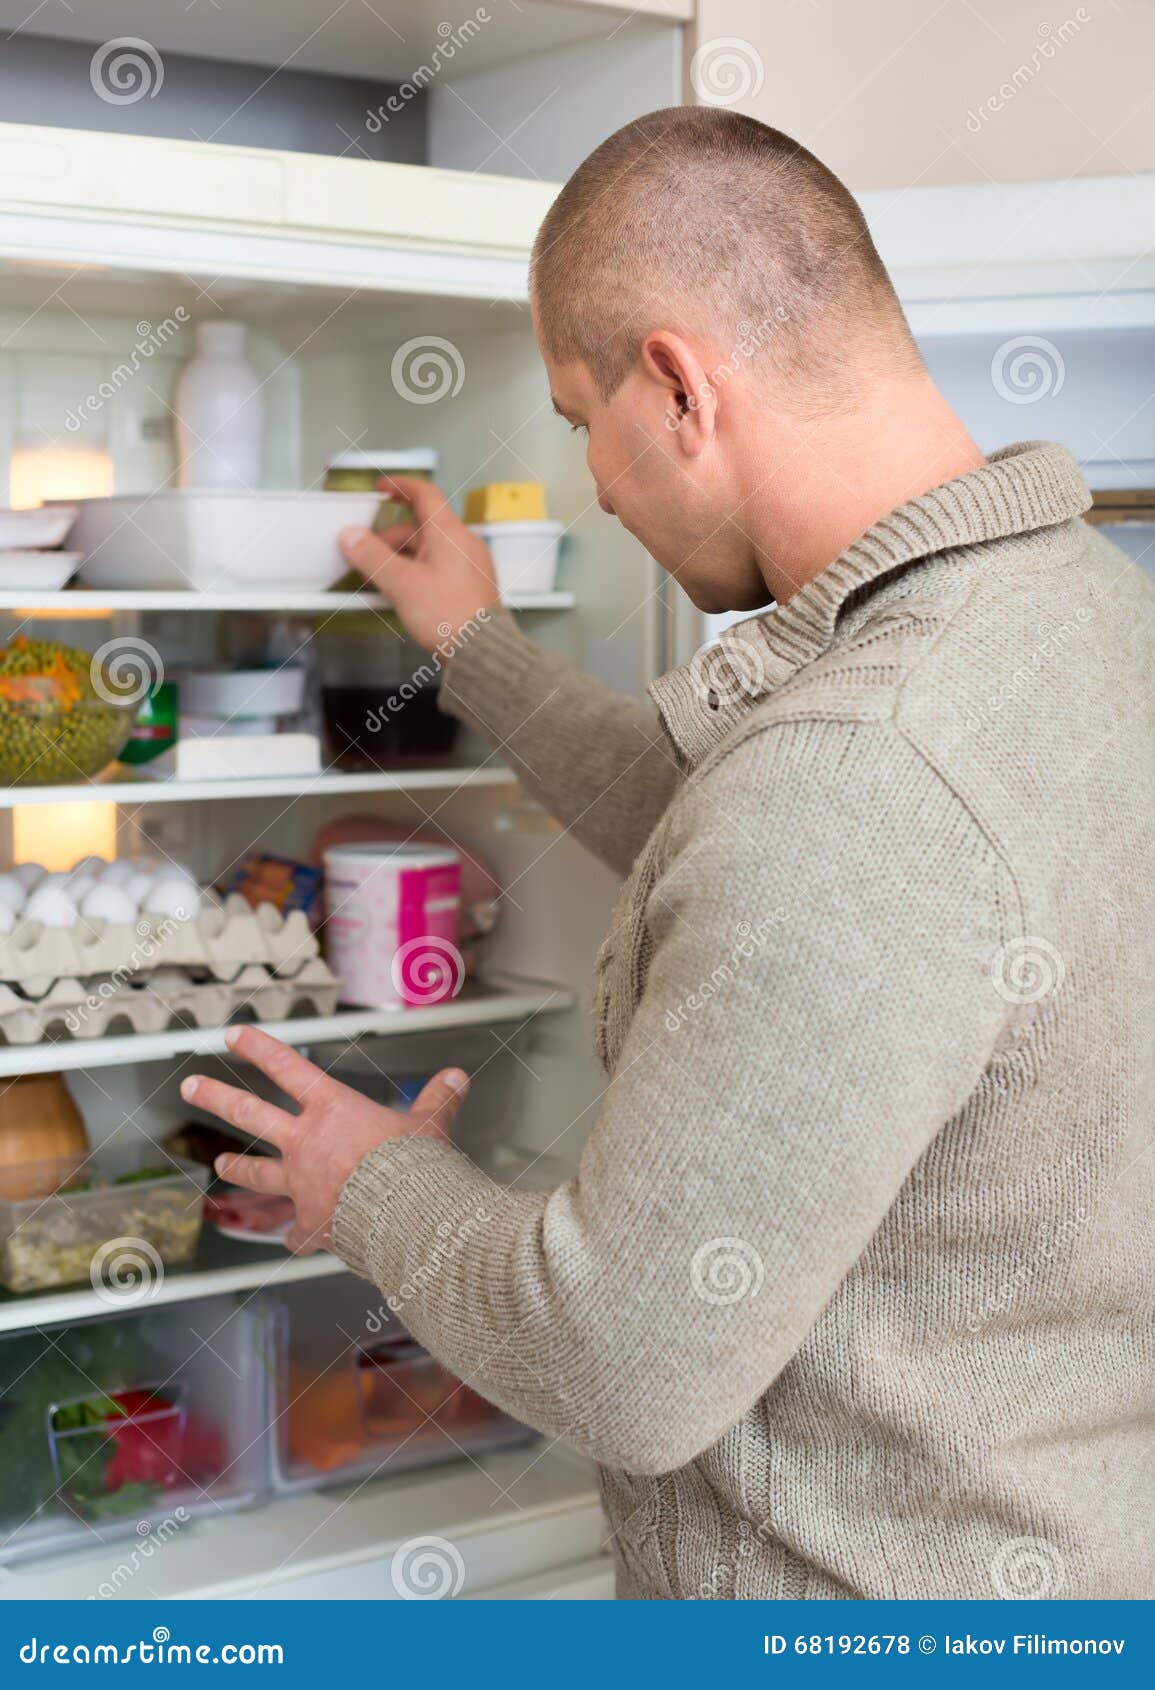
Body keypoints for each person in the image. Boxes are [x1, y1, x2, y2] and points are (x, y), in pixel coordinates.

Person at [181, 107, 1154, 1600]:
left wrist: (365, 1182)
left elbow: (616, 1356)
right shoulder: (1082, 610)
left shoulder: (858, 778)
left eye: (583, 422)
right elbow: (765, 853)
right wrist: (474, 647)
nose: (601, 486)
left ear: (680, 387)